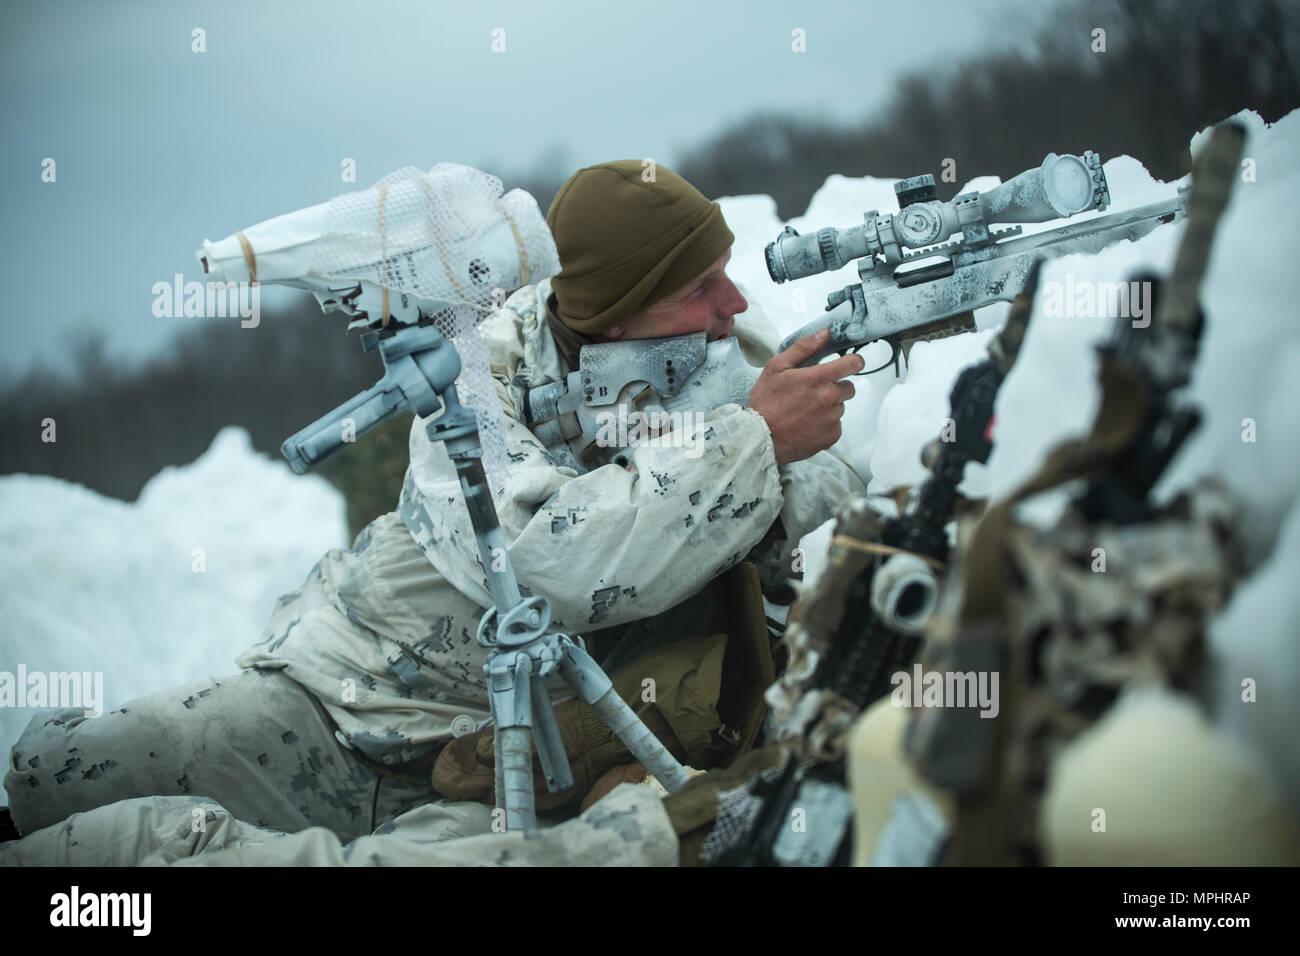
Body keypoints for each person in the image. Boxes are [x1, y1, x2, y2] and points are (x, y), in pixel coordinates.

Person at [2, 160, 866, 856]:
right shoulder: (477, 370)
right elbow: (543, 563)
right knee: (68, 770)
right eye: (700, 288)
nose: (736, 306)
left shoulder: (724, 362)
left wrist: (771, 443)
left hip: (502, 757)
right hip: (344, 703)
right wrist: (750, 444)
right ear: (614, 318)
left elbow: (836, 485)